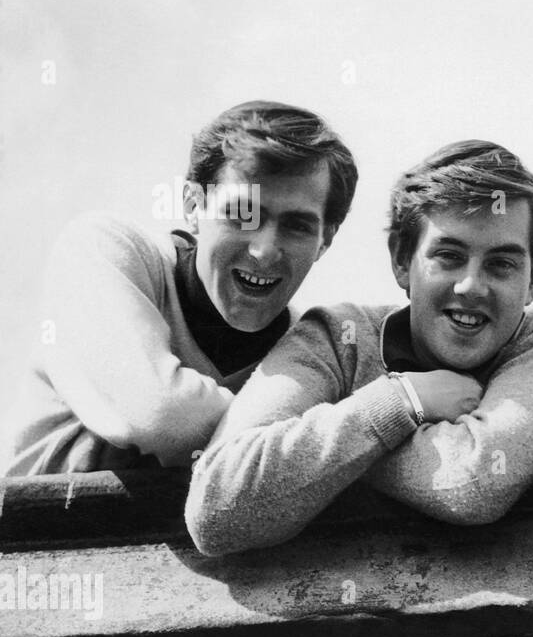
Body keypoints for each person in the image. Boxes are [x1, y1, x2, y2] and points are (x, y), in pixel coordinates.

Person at [185, 140, 533, 555]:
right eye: (449, 256)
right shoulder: (336, 337)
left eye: (501, 264)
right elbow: (218, 507)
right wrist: (401, 401)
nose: (472, 286)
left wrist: (326, 455)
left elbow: (473, 482)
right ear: (402, 259)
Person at [4, 100, 356, 475]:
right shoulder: (105, 249)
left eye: (297, 226)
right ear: (193, 205)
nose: (264, 251)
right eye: (242, 215)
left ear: (325, 241)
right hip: (52, 530)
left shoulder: (313, 347)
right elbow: (160, 416)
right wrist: (314, 442)